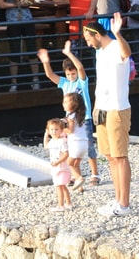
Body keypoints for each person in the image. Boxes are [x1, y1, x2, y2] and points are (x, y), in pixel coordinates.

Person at [87, 13, 132, 217]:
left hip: (117, 108)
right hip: (103, 109)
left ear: (96, 35)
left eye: (88, 39)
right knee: (110, 156)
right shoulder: (101, 52)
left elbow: (126, 54)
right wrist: (96, 107)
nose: (88, 44)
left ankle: (124, 204)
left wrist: (118, 34)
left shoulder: (114, 46)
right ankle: (117, 199)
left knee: (120, 156)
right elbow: (102, 82)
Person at [37, 42, 100, 186]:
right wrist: (46, 62)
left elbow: (81, 68)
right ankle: (75, 175)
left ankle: (95, 174)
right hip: (69, 119)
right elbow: (50, 75)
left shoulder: (82, 82)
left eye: (73, 73)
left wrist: (69, 53)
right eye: (68, 74)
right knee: (70, 147)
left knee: (89, 146)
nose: (71, 76)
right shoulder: (65, 83)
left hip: (85, 119)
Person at [0, 0, 38, 91]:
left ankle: (35, 80)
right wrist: (17, 4)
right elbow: (1, 4)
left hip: (27, 20)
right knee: (14, 51)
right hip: (13, 21)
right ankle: (14, 82)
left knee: (32, 50)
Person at [43, 117, 72, 212]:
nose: (54, 132)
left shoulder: (62, 141)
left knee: (60, 186)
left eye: (56, 129)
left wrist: (58, 162)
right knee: (62, 186)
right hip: (55, 168)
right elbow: (45, 146)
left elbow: (66, 154)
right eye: (51, 129)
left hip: (62, 168)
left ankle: (61, 205)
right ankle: (68, 203)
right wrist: (46, 134)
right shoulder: (52, 141)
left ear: (61, 130)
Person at [63, 92, 90, 191]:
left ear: (74, 104)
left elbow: (70, 130)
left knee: (69, 163)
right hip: (84, 143)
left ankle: (78, 178)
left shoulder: (71, 116)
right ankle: (80, 188)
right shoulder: (80, 116)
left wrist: (62, 129)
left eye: (66, 102)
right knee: (76, 164)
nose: (63, 104)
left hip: (76, 143)